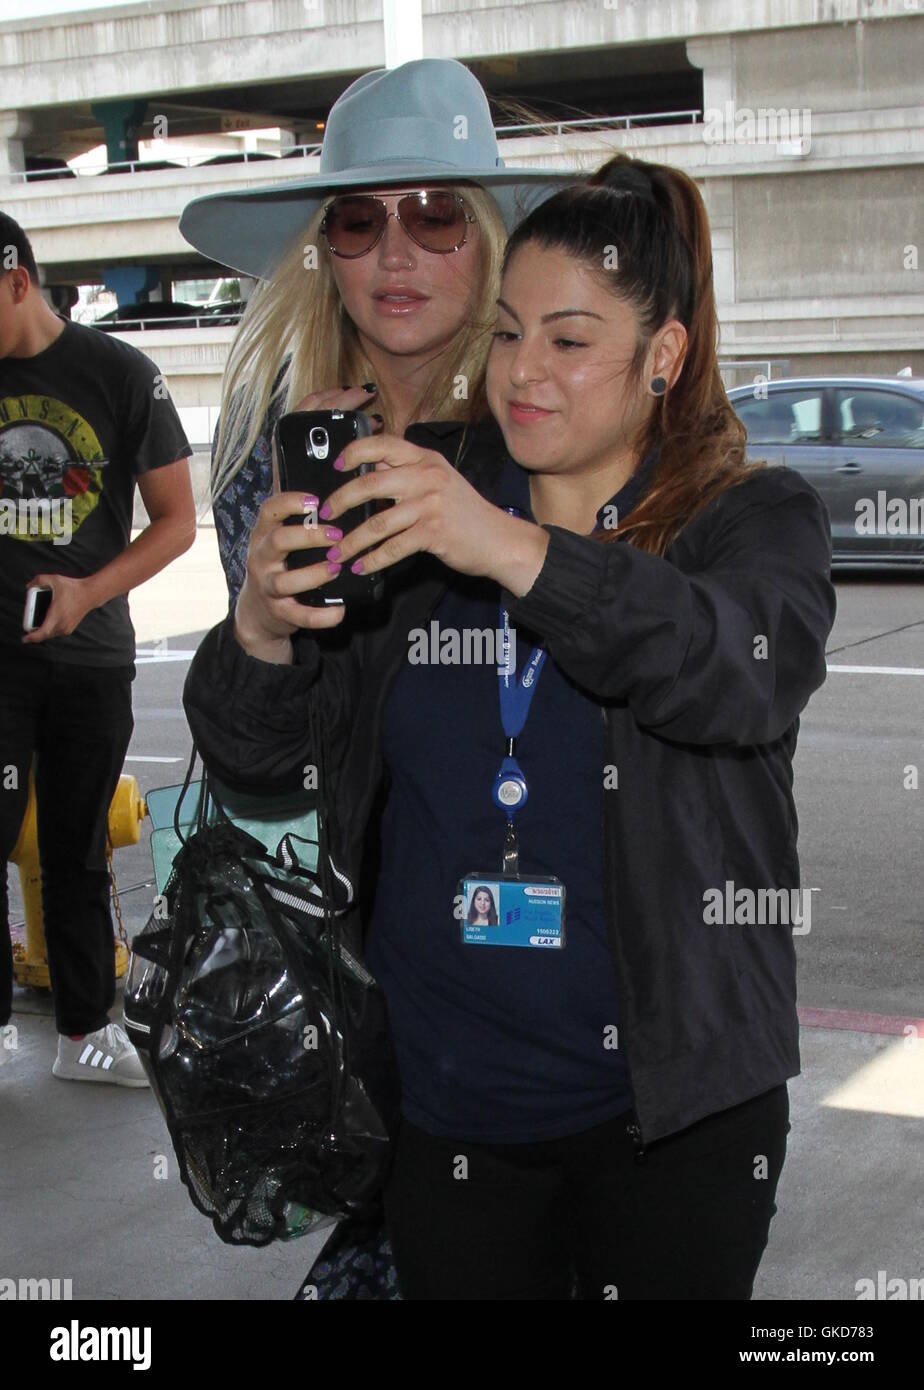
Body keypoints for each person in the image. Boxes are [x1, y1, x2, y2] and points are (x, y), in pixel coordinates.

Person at [183, 147, 836, 1301]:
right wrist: (263, 627)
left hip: (672, 1122)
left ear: (663, 355)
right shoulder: (421, 491)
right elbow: (257, 757)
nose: (524, 372)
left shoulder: (748, 517)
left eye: (570, 340)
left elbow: (735, 673)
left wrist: (510, 548)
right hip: (453, 1120)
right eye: (509, 333)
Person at [177, 58, 573, 606]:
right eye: (359, 221)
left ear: (491, 239)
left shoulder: (547, 409)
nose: (394, 257)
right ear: (325, 253)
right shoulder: (262, 427)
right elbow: (264, 678)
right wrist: (262, 616)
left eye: (434, 217)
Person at [0, 211, 195, 1085]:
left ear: (16, 281)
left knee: (76, 847)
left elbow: (179, 523)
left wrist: (90, 591)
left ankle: (84, 1033)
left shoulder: (119, 372)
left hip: (90, 658)